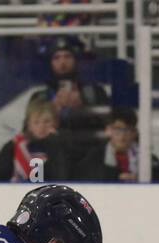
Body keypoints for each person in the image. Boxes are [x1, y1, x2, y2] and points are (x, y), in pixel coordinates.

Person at [40, 36, 110, 179]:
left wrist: (82, 108)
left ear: (76, 60)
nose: (62, 62)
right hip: (53, 162)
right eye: (57, 58)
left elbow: (108, 127)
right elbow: (30, 133)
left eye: (67, 56)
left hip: (89, 157)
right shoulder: (41, 96)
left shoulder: (95, 92)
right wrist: (52, 112)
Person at [0, 97, 67, 183]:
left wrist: (55, 142)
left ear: (56, 122)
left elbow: (61, 176)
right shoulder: (15, 146)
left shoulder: (63, 145)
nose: (41, 127)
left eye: (47, 121)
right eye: (36, 122)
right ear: (29, 125)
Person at [84, 107, 159, 182]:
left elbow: (158, 176)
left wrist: (138, 178)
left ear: (134, 133)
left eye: (127, 129)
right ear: (108, 130)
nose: (122, 135)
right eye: (118, 129)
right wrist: (116, 178)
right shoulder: (95, 157)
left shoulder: (146, 157)